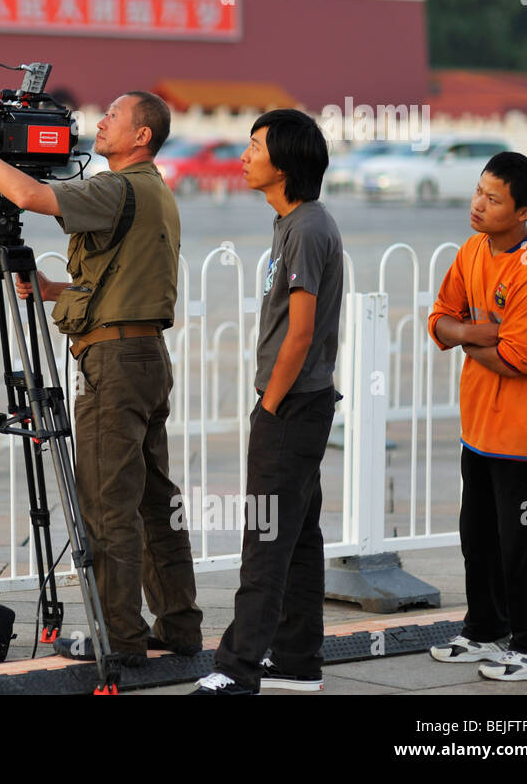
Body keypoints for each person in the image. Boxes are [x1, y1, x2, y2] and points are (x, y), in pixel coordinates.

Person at [0, 92, 203, 666]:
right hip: (146, 356)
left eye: (114, 117)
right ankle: (179, 627)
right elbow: (121, 281)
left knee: (107, 507)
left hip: (114, 365)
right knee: (155, 502)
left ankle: (119, 641)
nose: (100, 123)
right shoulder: (154, 190)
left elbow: (29, 195)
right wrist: (55, 290)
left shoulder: (117, 186)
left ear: (141, 137)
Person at [193, 109, 343, 695]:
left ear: (283, 163)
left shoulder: (305, 228)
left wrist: (269, 406)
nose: (244, 156)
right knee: (300, 534)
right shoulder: (297, 221)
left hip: (293, 407)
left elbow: (300, 334)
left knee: (266, 539)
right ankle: (298, 660)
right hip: (304, 405)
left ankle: (237, 669)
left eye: (254, 146)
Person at [425, 152, 527, 681]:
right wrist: (467, 334)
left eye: (493, 198)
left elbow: (518, 359)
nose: (478, 205)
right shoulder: (471, 249)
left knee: (523, 543)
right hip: (478, 427)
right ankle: (486, 630)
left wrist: (464, 341)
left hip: (523, 432)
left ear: (523, 211)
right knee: (477, 535)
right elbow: (438, 320)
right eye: (479, 191)